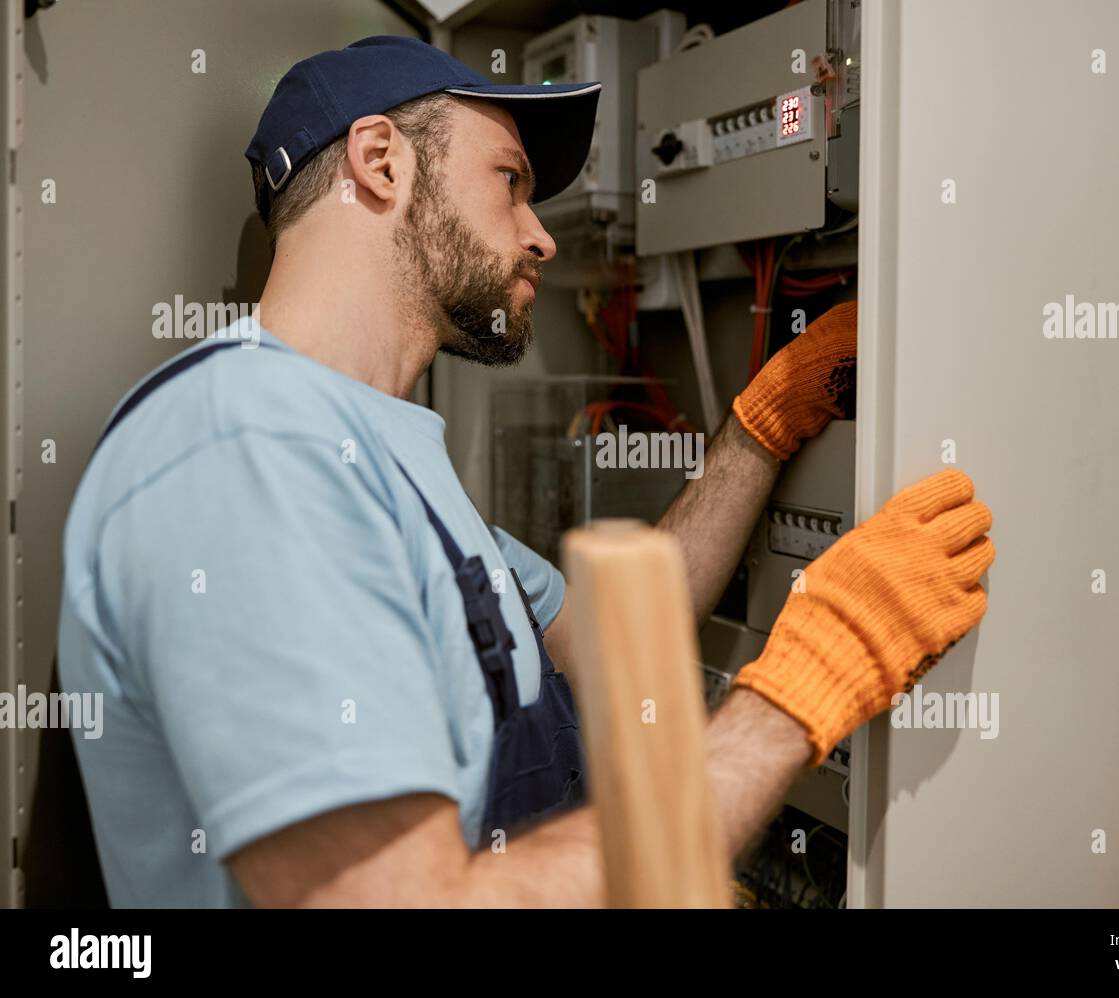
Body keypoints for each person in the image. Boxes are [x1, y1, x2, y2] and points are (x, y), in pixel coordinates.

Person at [58, 37, 994, 907]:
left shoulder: (375, 455)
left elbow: (621, 629)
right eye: (509, 181)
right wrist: (797, 698)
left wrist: (760, 430)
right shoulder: (246, 450)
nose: (541, 236)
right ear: (380, 161)